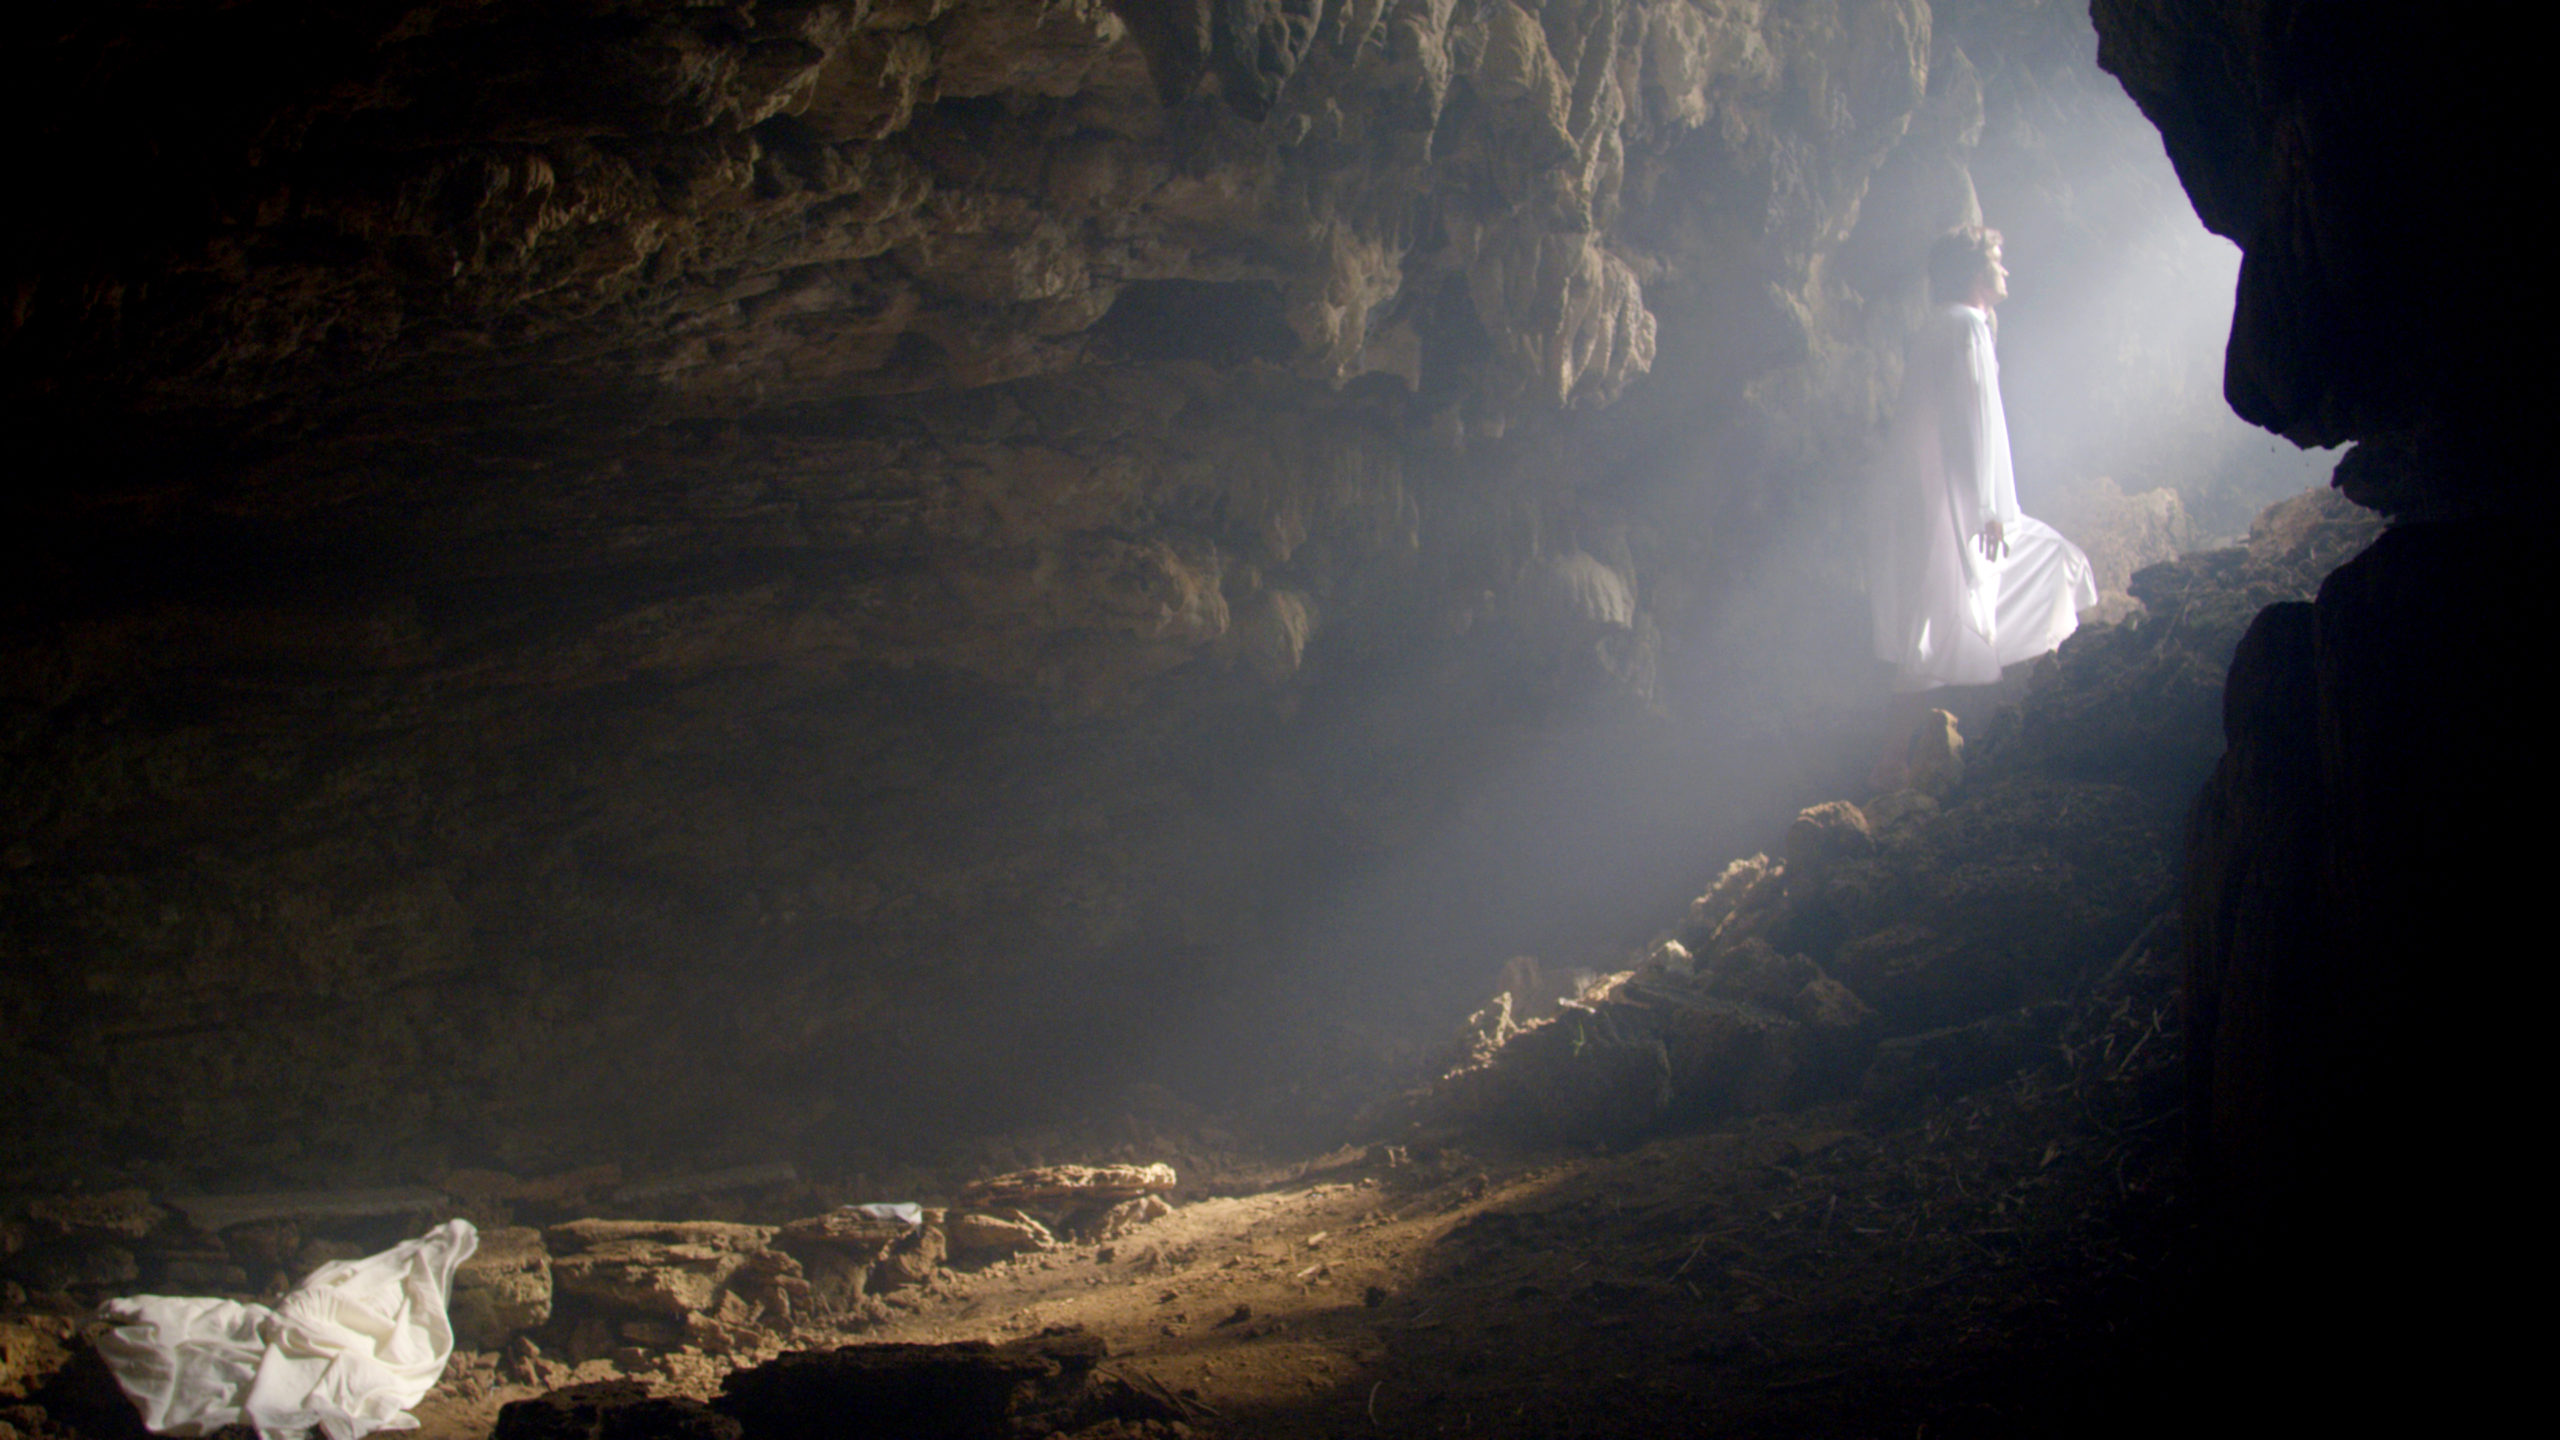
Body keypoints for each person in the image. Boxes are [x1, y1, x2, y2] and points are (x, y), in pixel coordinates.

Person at [1868, 225, 2094, 787]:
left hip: (1928, 500)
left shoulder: (1938, 326)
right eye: (1997, 259)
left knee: (1936, 626)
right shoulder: (1965, 326)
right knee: (2052, 567)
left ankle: (1895, 760)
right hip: (1954, 503)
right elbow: (1973, 421)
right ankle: (1895, 761)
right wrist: (1989, 508)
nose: (2006, 271)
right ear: (1974, 270)